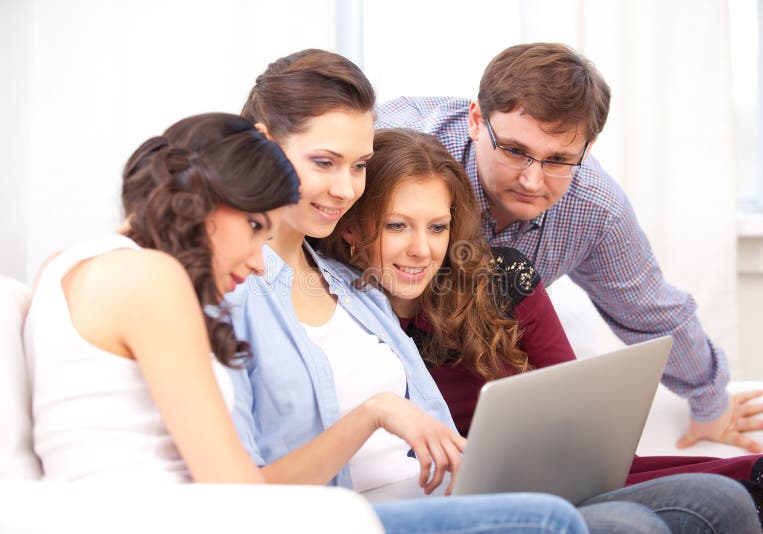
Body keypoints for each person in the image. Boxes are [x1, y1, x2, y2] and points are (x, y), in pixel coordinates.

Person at [23, 112, 588, 534]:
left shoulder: (79, 264)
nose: (257, 262)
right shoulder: (151, 278)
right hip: (184, 519)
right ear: (207, 202)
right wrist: (373, 413)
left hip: (207, 512)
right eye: (255, 229)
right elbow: (239, 497)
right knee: (550, 521)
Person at [319, 127, 763, 533]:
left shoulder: (502, 279)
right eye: (398, 226)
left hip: (558, 478)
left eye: (437, 228)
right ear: (351, 228)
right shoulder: (336, 315)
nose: (422, 250)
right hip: (452, 500)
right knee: (632, 524)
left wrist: (707, 397)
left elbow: (582, 413)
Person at [374, 42, 763, 454]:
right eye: (515, 151)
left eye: (558, 159)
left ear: (588, 148)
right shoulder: (385, 145)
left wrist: (710, 402)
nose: (532, 181)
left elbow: (650, 310)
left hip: (469, 376)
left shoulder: (594, 209)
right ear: (477, 120)